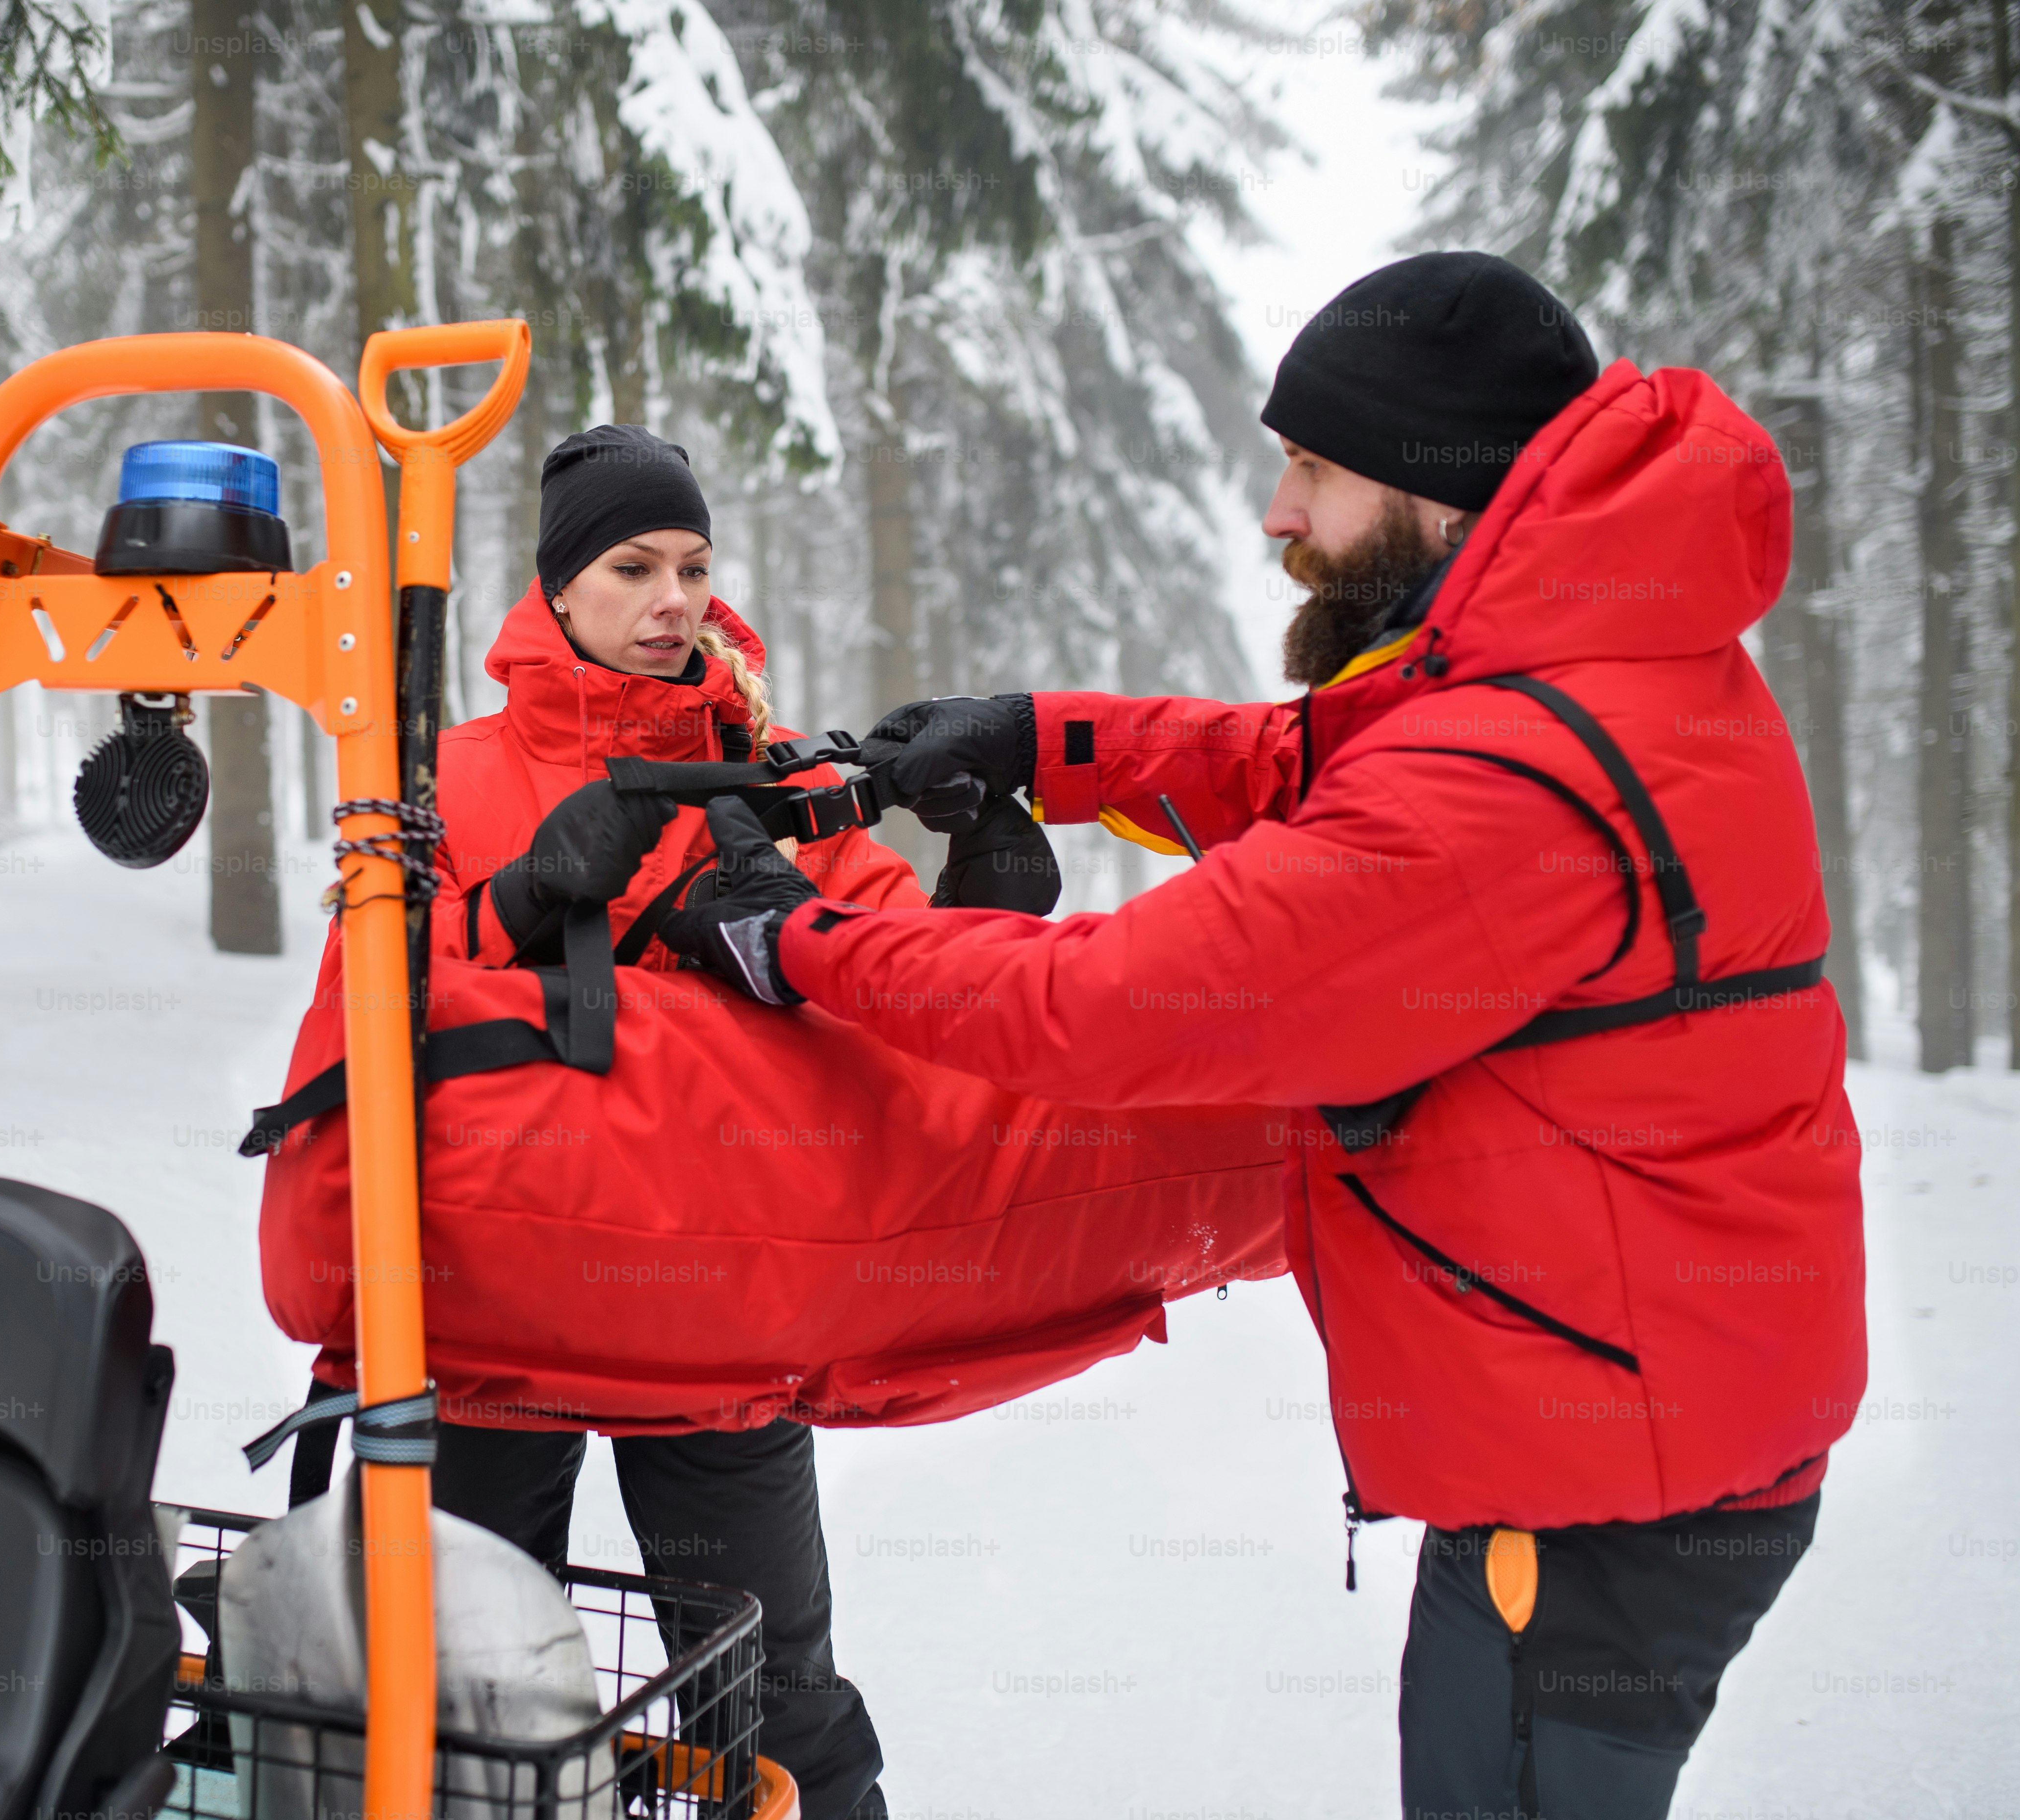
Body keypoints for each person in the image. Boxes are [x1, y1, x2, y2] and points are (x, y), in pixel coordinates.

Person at [652, 253, 1866, 1820]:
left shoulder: (1508, 779)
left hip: (1598, 1495)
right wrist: (1049, 740)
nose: (1278, 511)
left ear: (1441, 495)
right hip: (1651, 1419)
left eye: (1314, 470)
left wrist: (804, 939)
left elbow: (1105, 1005)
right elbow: (1311, 762)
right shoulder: (1592, 662)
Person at [427, 423, 928, 1820]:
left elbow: (905, 961)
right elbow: (374, 997)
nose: (674, 601)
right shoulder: (456, 776)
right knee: (469, 1678)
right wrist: (518, 902)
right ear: (560, 591)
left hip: (714, 1287)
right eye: (635, 566)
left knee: (770, 1693)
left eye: (696, 566)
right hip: (496, 1280)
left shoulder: (768, 774)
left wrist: (978, 925)